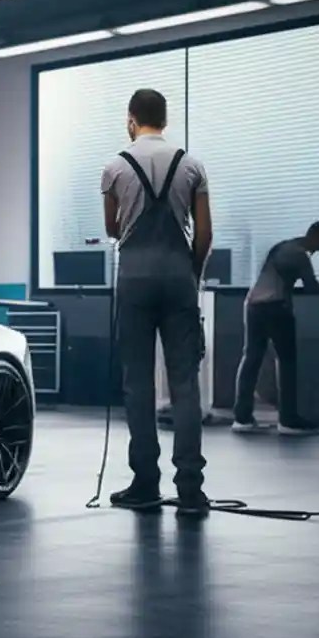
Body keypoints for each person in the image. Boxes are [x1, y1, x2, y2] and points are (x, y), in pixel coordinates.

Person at [101, 88, 213, 518]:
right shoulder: (192, 165)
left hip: (134, 282)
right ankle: (190, 490)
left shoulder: (114, 167)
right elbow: (204, 234)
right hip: (178, 279)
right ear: (165, 119)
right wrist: (192, 274)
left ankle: (145, 483)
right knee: (184, 385)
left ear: (132, 119)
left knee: (138, 385)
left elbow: (112, 228)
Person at [232, 221, 319, 436]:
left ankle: (242, 418)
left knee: (251, 359)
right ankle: (288, 419)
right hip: (276, 307)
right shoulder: (299, 254)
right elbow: (311, 288)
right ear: (318, 237)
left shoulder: (282, 247)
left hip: (253, 305)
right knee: (287, 362)